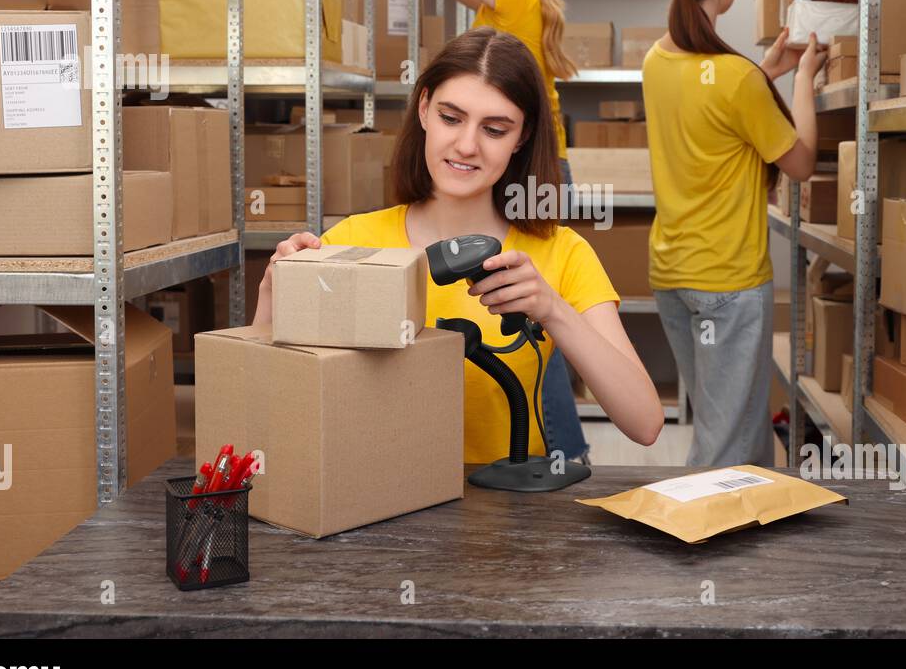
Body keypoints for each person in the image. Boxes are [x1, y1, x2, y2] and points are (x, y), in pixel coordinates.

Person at [252, 28, 663, 465]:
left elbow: (644, 423)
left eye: (495, 129)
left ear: (521, 138)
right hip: (372, 500)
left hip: (506, 510)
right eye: (451, 118)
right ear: (425, 109)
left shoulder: (562, 252)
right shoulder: (352, 242)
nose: (467, 145)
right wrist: (272, 295)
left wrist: (553, 309)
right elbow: (262, 410)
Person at [343, 0, 592, 462]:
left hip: (528, 165)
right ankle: (541, 444)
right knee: (519, 312)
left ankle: (558, 449)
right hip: (516, 159)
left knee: (531, 316)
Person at [641, 0, 824, 467]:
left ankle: (746, 540)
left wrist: (765, 72)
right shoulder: (737, 80)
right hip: (728, 282)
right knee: (724, 446)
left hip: (673, 276)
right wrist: (802, 83)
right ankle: (699, 540)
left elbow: (713, 110)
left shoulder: (656, 62)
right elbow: (802, 164)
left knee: (738, 429)